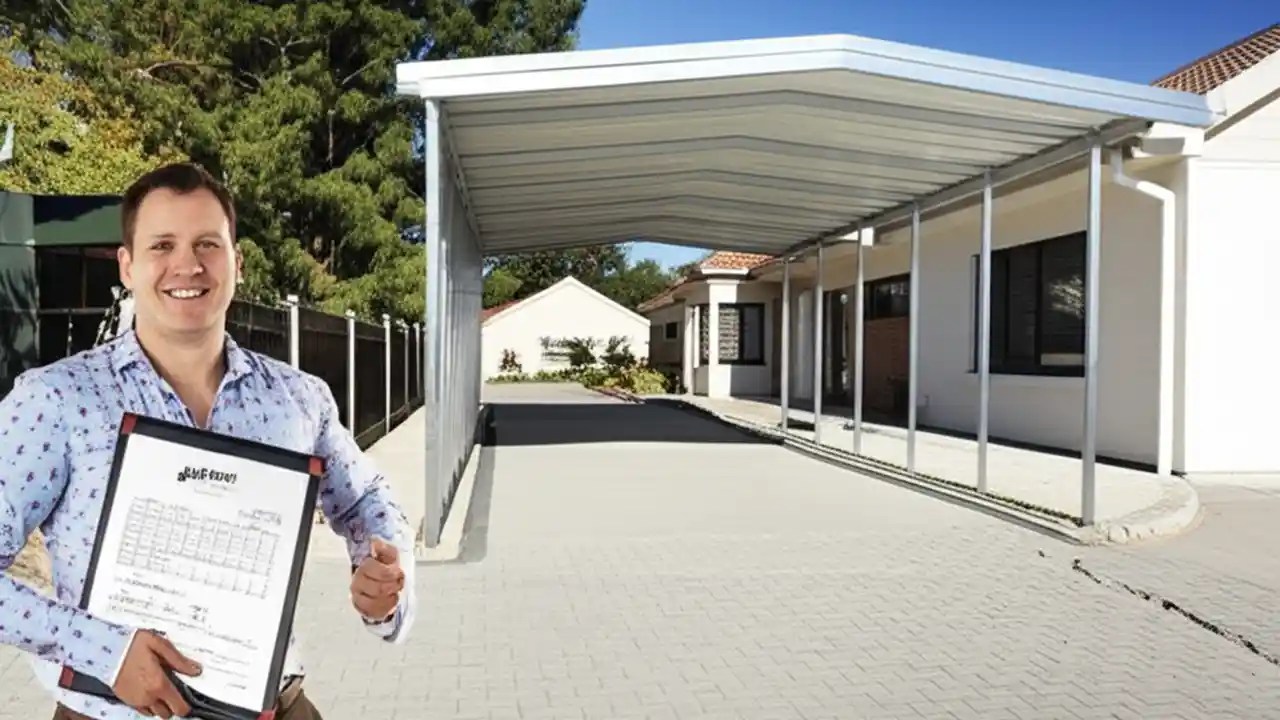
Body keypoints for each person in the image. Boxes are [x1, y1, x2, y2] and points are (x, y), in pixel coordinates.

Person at [0, 162, 417, 719]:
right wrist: (104, 650)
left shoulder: (296, 399)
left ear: (236, 263)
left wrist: (382, 572)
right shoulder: (57, 400)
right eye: (162, 245)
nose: (187, 265)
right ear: (127, 266)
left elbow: (366, 497)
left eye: (207, 244)